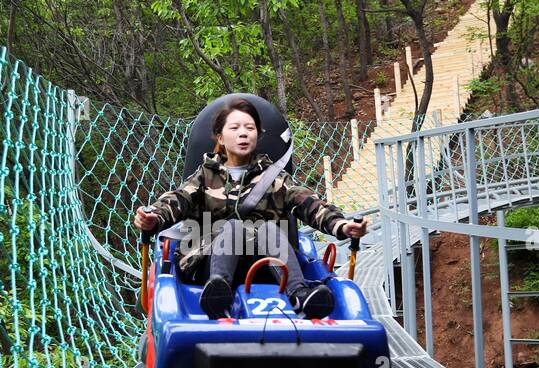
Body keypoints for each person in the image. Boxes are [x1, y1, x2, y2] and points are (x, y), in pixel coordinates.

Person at [133, 98, 368, 319]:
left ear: (258, 135)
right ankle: (218, 292)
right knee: (233, 227)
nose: (243, 133)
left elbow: (310, 204)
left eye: (250, 128)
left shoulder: (275, 178)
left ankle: (299, 294)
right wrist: (153, 217)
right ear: (221, 138)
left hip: (266, 264)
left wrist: (342, 225)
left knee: (267, 229)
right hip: (210, 261)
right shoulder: (205, 176)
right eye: (234, 128)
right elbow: (177, 200)